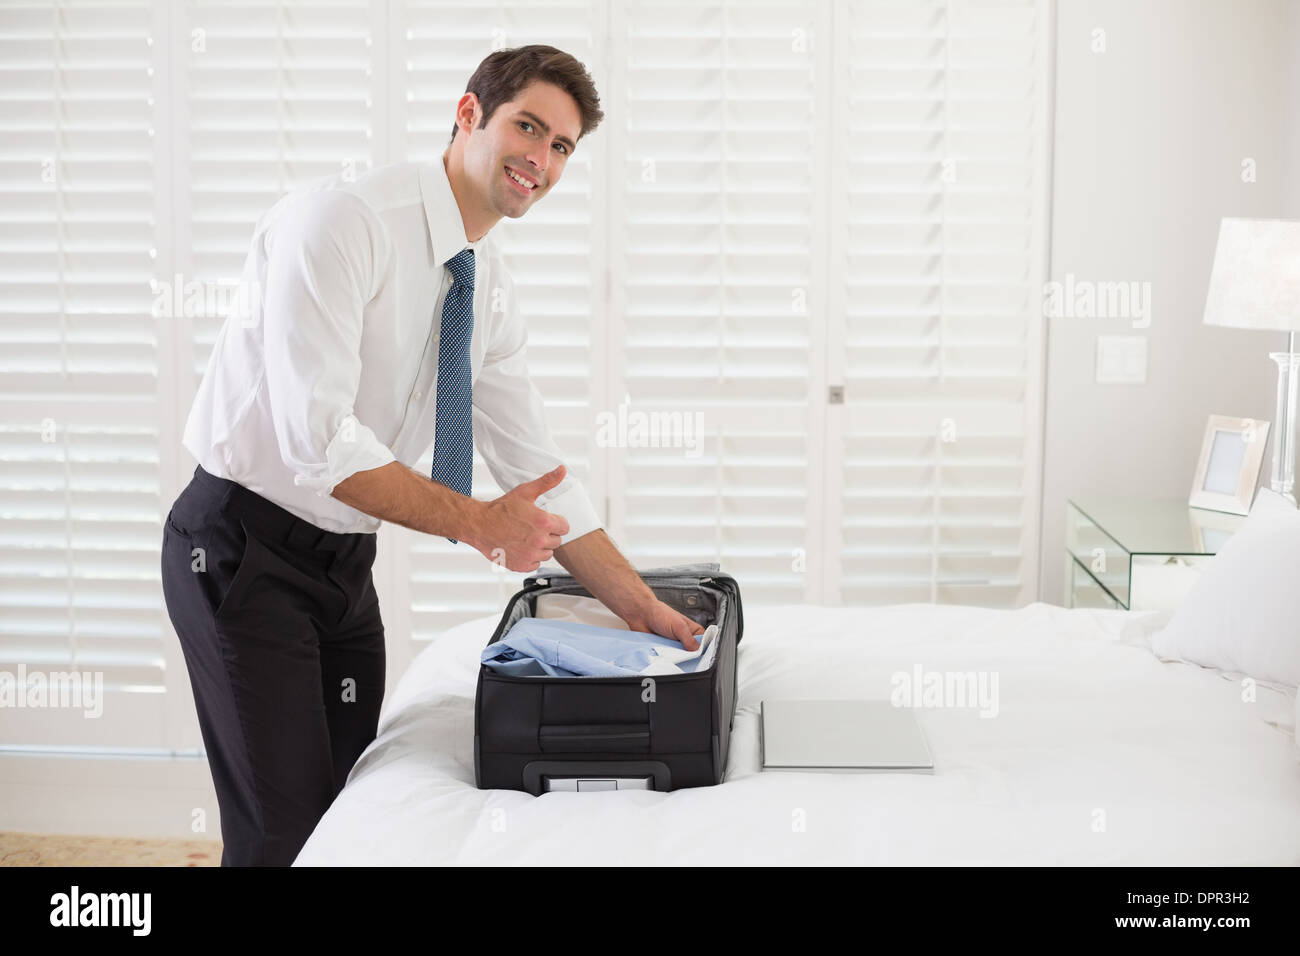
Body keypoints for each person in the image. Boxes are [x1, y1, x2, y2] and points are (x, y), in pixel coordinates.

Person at [160, 44, 704, 867]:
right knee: (285, 835)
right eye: (528, 127)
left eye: (562, 146)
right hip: (241, 549)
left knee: (356, 818)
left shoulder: (487, 290)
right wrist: (482, 524)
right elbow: (321, 444)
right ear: (467, 113)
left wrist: (642, 609)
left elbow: (540, 473)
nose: (542, 159)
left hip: (343, 563)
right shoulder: (343, 223)